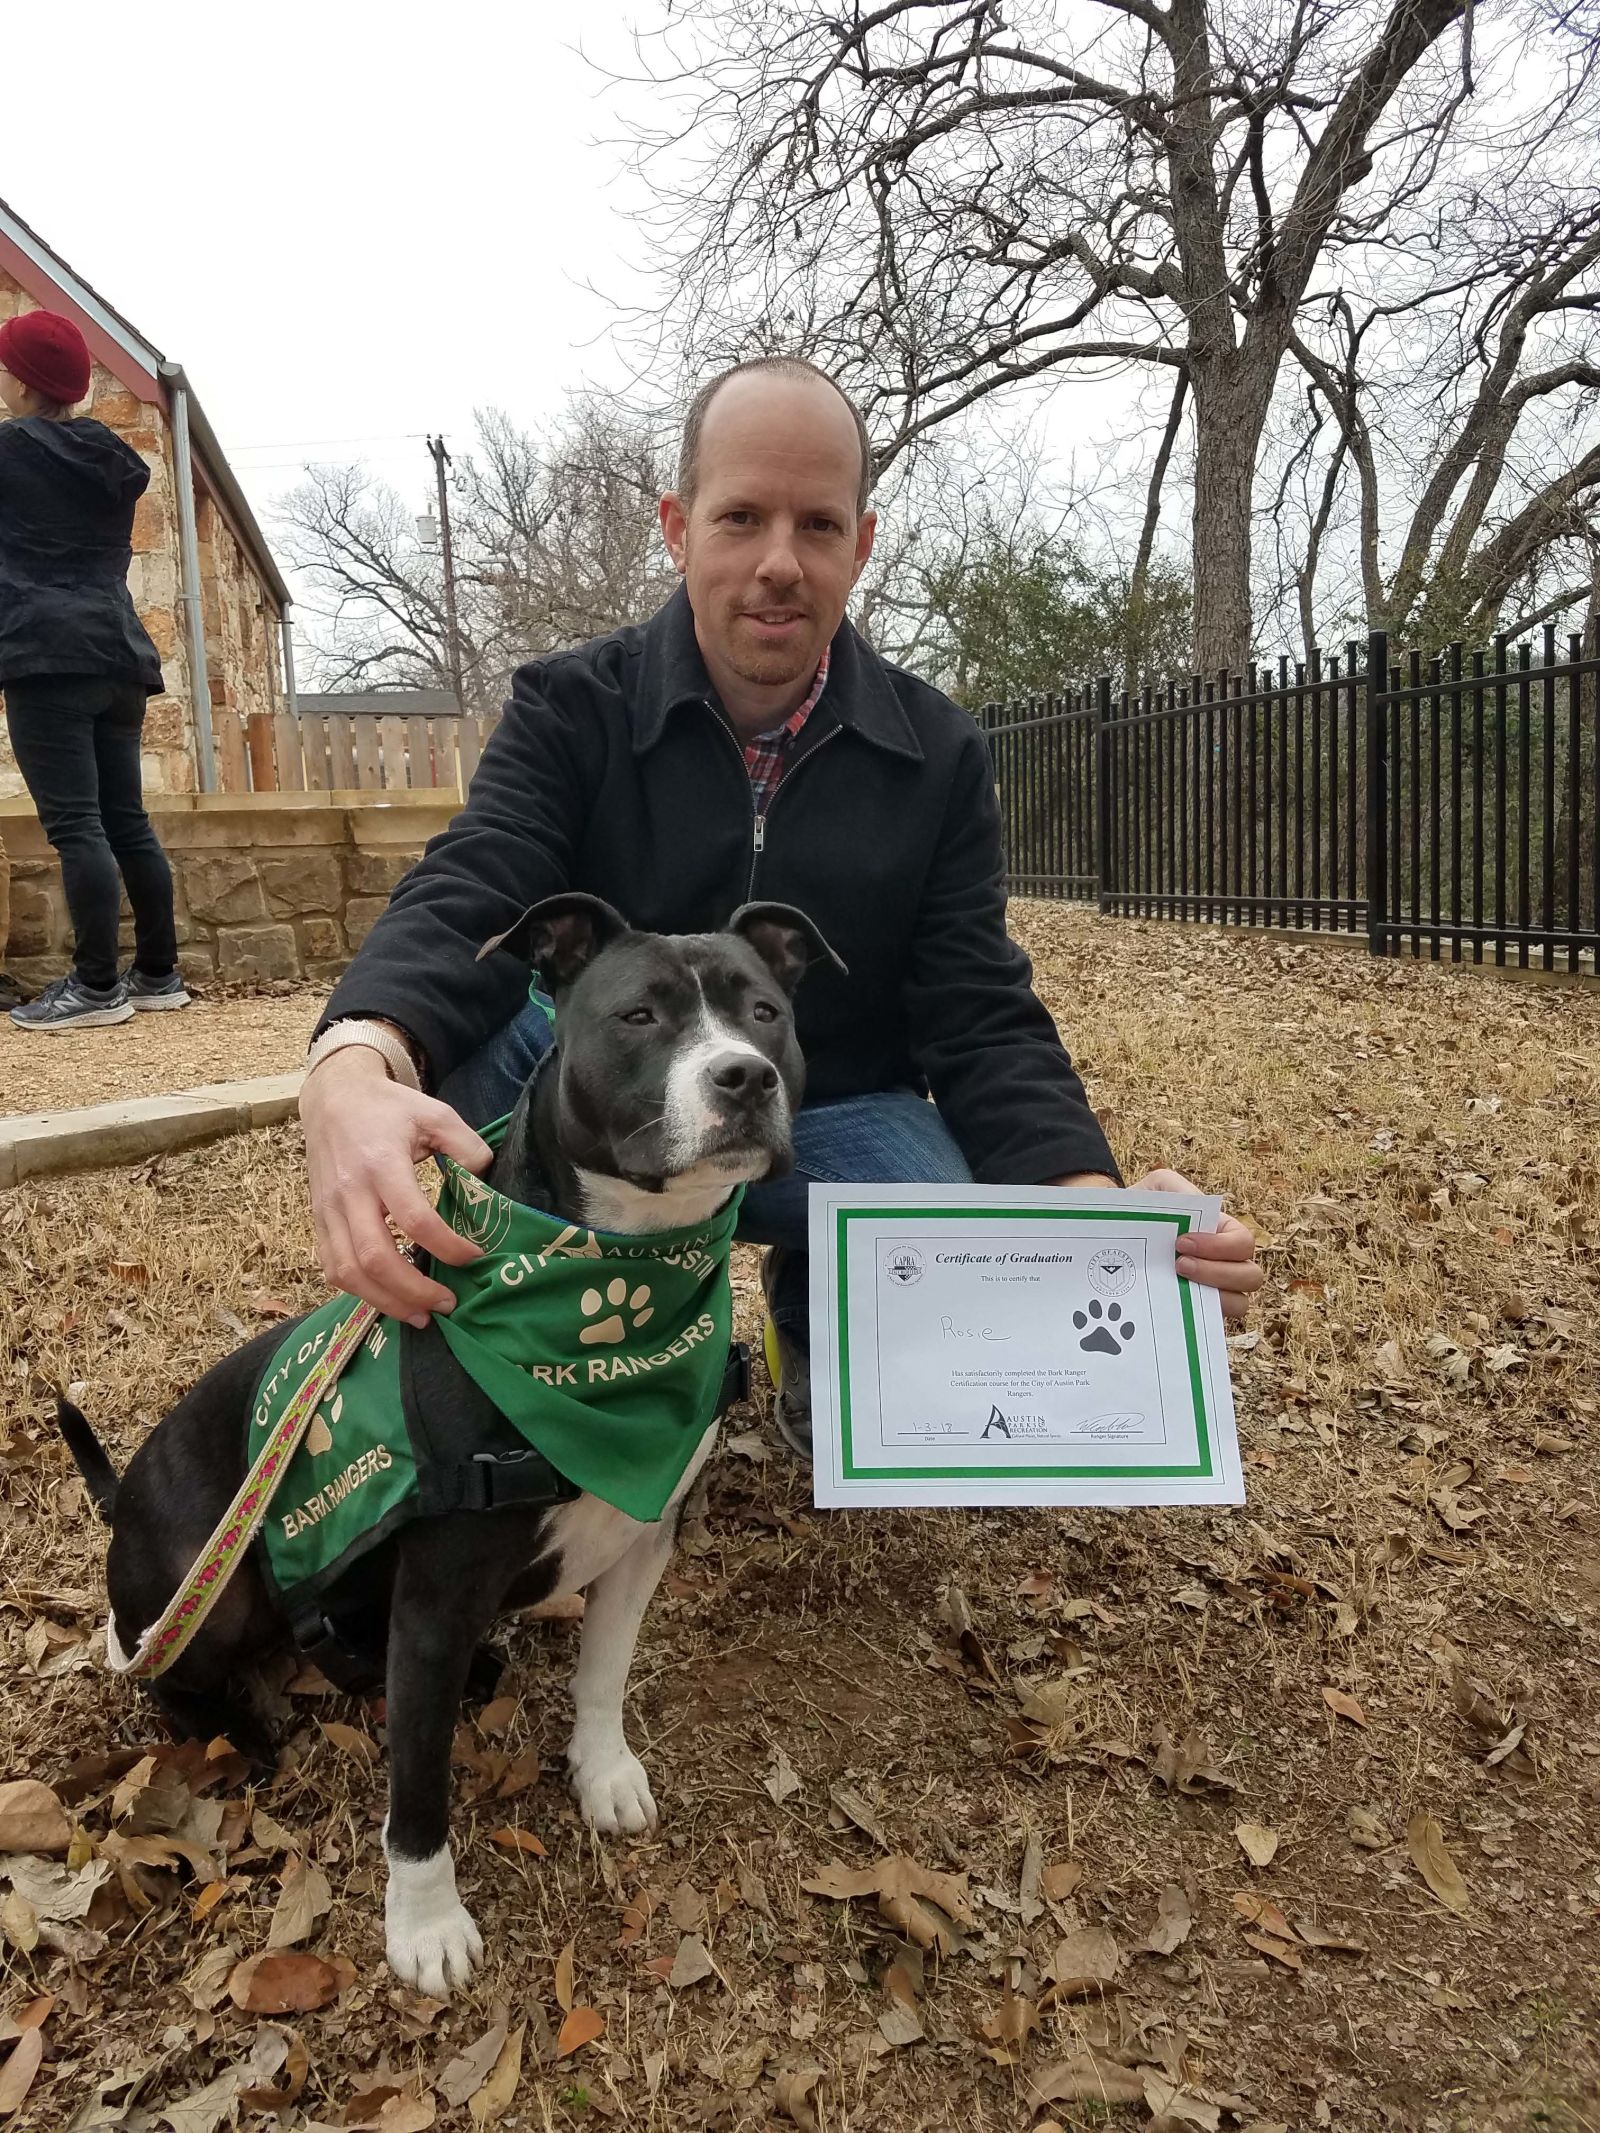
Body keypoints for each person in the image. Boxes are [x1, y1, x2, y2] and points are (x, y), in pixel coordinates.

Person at [300, 357, 1262, 1454]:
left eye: (816, 525)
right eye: (741, 517)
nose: (777, 564)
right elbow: (477, 876)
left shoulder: (934, 751)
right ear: (676, 527)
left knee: (938, 1212)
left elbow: (978, 1005)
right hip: (601, 1116)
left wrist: (1097, 1215)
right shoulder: (572, 707)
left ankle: (818, 1342)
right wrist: (355, 1056)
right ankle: (546, 1351)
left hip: (819, 1117)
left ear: (861, 542)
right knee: (476, 1054)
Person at [0, 308, 189, 1031]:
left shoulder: (10, 452)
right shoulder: (109, 458)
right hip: (119, 655)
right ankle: (158, 973)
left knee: (77, 826)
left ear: (23, 381)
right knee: (126, 821)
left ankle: (96, 985)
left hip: (46, 656)